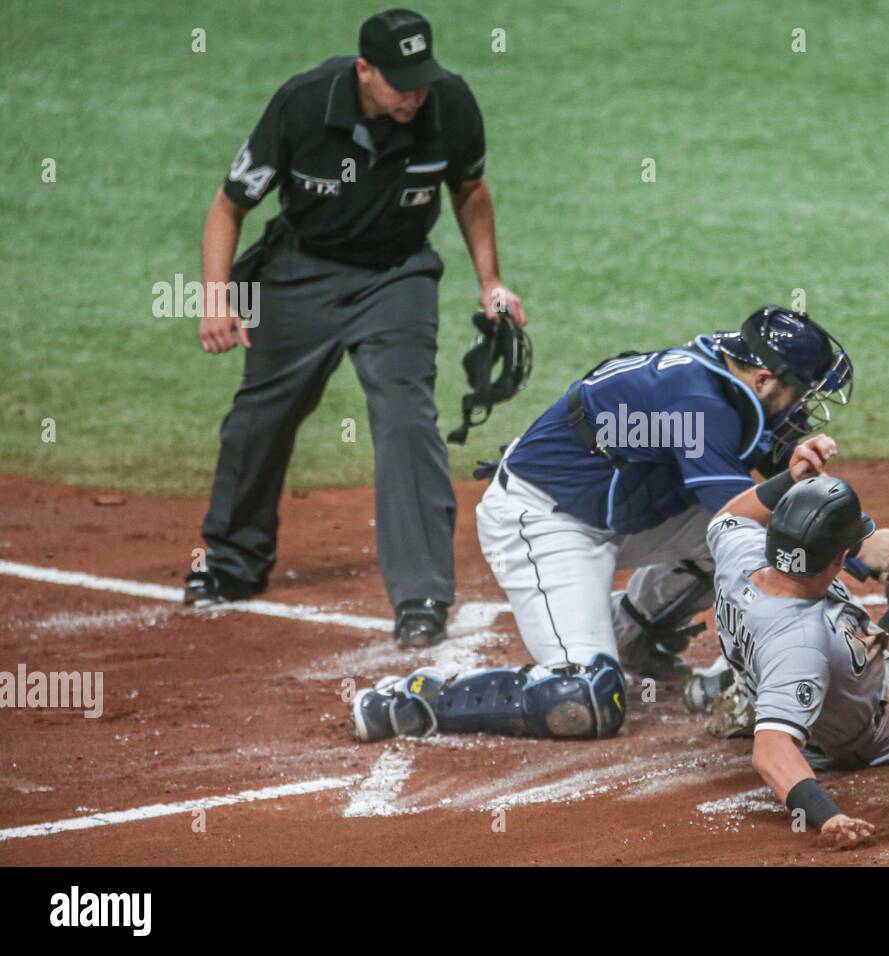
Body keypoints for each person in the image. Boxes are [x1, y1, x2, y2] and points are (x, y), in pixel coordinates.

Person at [349, 306, 855, 742]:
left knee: (753, 537)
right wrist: (855, 550)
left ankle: (634, 632)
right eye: (801, 391)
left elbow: (772, 465)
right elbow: (730, 518)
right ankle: (422, 698)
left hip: (621, 516)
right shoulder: (695, 401)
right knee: (581, 696)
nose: (804, 406)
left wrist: (850, 526)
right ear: (765, 380)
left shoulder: (731, 382)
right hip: (545, 522)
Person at [183, 9, 524, 649]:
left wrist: (491, 282)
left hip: (396, 278)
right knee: (262, 415)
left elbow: (470, 190)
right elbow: (229, 205)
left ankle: (422, 594)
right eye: (399, 83)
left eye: (420, 80)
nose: (413, 95)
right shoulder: (304, 104)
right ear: (364, 70)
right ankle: (231, 564)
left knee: (405, 418)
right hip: (299, 274)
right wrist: (215, 298)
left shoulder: (448, 106)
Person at [699, 466, 889, 847]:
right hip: (863, 729)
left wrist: (790, 476)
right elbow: (770, 751)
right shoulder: (801, 644)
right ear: (839, 559)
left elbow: (729, 517)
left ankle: (763, 701)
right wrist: (828, 816)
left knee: (805, 661)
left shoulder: (744, 551)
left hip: (776, 658)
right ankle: (792, 723)